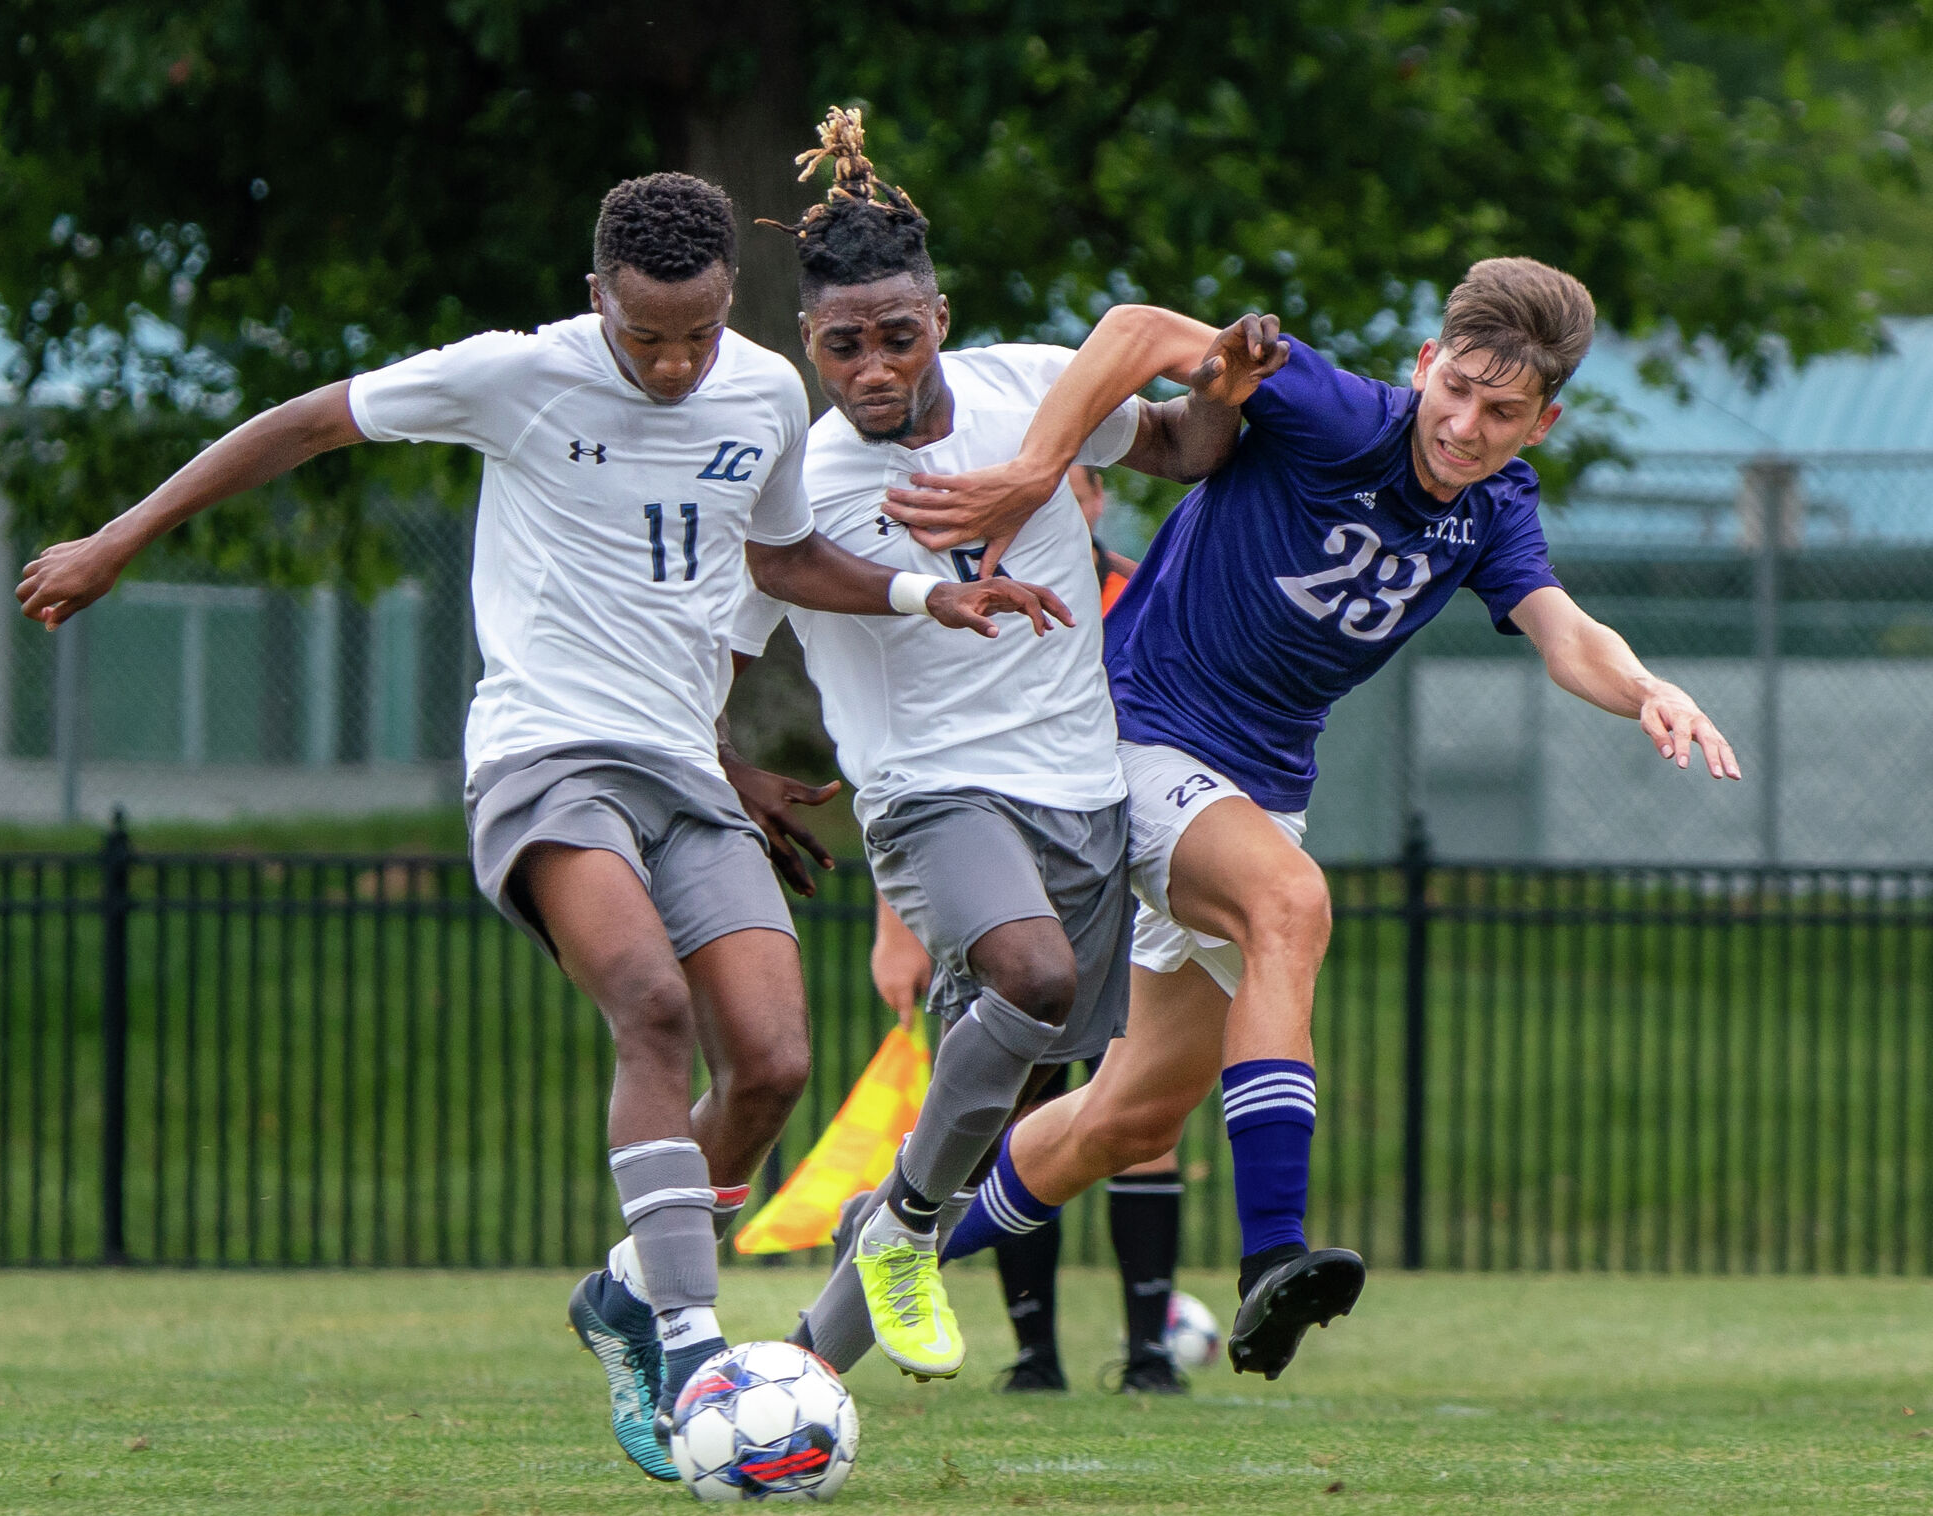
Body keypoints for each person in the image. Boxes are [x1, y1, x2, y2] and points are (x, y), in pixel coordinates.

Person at [14, 170, 1065, 1481]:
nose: (676, 363)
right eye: (646, 338)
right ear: (595, 303)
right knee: (651, 1006)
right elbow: (301, 425)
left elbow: (780, 560)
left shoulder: (757, 392)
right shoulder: (516, 375)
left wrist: (922, 595)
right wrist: (119, 538)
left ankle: (627, 1288)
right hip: (546, 757)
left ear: (731, 303)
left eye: (696, 331)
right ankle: (688, 1351)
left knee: (774, 1063)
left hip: (684, 768)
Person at [894, 257, 1742, 1380]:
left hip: (1249, 792)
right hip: (1138, 734)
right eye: (1457, 395)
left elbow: (1560, 628)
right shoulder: (1342, 415)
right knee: (1288, 904)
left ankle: (887, 1245)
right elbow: (1139, 328)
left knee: (1131, 1117)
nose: (1467, 428)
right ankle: (1270, 1260)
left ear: (1542, 420)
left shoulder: (1494, 509)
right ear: (1425, 365)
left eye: (1501, 414)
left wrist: (1646, 688)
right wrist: (1029, 473)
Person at [724, 108, 1267, 1383]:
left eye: (894, 336)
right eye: (840, 343)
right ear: (806, 340)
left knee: (993, 1117)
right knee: (1024, 981)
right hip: (928, 796)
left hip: (1079, 789)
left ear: (941, 318)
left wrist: (1228, 384)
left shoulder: (1034, 388)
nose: (869, 366)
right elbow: (727, 634)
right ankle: (908, 1229)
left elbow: (1188, 448)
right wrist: (723, 762)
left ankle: (804, 1365)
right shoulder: (793, 480)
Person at [871, 467, 1188, 1396]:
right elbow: (921, 763)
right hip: (1010, 873)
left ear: (1090, 501)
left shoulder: (1142, 591)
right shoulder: (971, 599)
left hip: (1132, 867)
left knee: (1136, 1114)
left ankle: (1150, 1353)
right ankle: (1034, 1353)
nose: (1067, 497)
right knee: (1011, 1107)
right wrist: (896, 926)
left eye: (1084, 485)